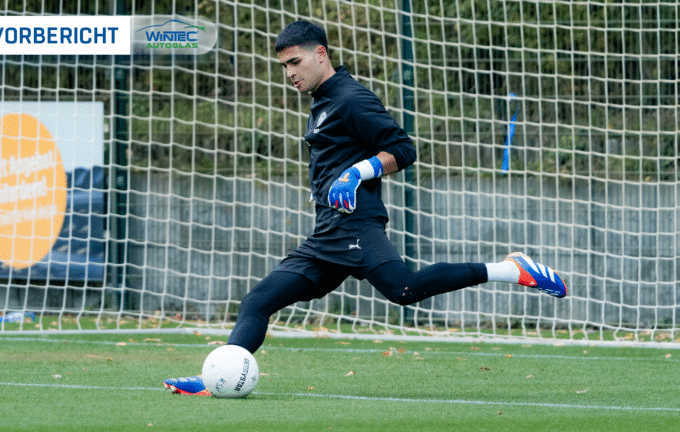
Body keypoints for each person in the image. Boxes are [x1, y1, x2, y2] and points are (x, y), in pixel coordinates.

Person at [163, 21, 566, 395]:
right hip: (327, 234)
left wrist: (357, 172)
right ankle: (216, 376)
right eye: (284, 66)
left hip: (354, 226)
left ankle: (511, 270)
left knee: (403, 289)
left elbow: (403, 149)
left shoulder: (351, 99)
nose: (289, 73)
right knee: (258, 301)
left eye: (295, 62)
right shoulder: (322, 101)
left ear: (321, 53)